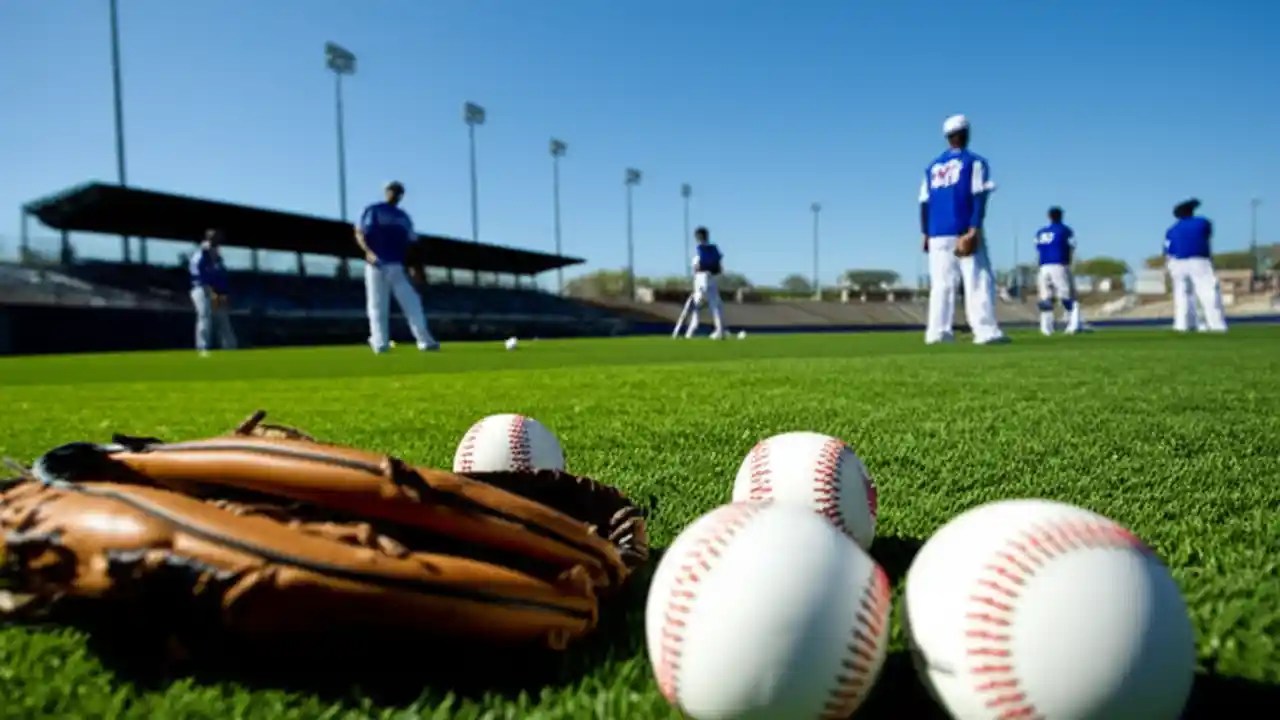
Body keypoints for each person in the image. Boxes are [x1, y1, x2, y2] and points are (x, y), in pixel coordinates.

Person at [919, 114, 1007, 345]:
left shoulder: (932, 167)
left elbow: (924, 202)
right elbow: (978, 195)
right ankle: (985, 331)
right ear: (966, 134)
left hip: (938, 232)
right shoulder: (973, 162)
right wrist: (974, 228)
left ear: (947, 138)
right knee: (976, 279)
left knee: (941, 285)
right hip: (961, 230)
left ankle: (937, 333)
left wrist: (925, 232)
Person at [353, 181, 440, 353]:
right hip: (376, 264)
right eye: (393, 190)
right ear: (386, 192)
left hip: (396, 265)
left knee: (412, 303)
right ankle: (380, 342)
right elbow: (359, 232)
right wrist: (368, 252)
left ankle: (425, 340)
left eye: (399, 192)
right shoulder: (373, 210)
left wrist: (417, 269)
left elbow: (413, 244)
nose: (396, 194)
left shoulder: (403, 217)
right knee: (378, 304)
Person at [1164, 198, 1227, 333]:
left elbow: (1167, 250)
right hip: (1199, 260)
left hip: (1176, 262)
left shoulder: (1172, 229)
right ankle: (1216, 325)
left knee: (1182, 294)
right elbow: (1207, 235)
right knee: (1207, 291)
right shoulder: (1202, 222)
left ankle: (1183, 324)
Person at [1033, 206, 1084, 335]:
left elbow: (1038, 248)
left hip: (1044, 266)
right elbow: (1072, 246)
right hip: (1059, 264)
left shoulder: (1040, 232)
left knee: (1046, 297)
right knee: (1066, 296)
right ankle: (1074, 323)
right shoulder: (1065, 230)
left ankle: (1046, 327)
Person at [189, 229, 238, 356]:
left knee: (222, 318)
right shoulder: (200, 254)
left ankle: (230, 347)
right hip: (201, 288)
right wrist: (207, 286)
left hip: (216, 291)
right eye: (214, 240)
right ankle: (202, 348)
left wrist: (223, 294)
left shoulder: (218, 258)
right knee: (204, 316)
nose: (217, 244)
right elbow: (197, 272)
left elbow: (221, 277)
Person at [681, 227, 726, 339]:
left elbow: (696, 268)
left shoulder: (698, 251)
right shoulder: (713, 250)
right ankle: (720, 330)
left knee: (698, 306)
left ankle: (690, 332)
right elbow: (720, 269)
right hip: (712, 279)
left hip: (701, 280)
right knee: (716, 306)